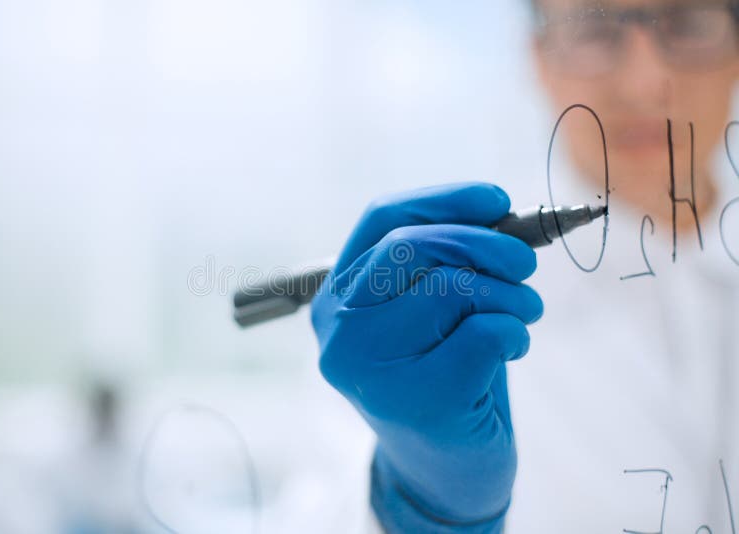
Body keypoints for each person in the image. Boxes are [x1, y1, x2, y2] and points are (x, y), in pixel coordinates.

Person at [310, 0, 739, 532]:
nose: (643, 83)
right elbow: (317, 509)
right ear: (540, 59)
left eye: (688, 24)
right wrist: (417, 505)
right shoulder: (423, 305)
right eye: (594, 30)